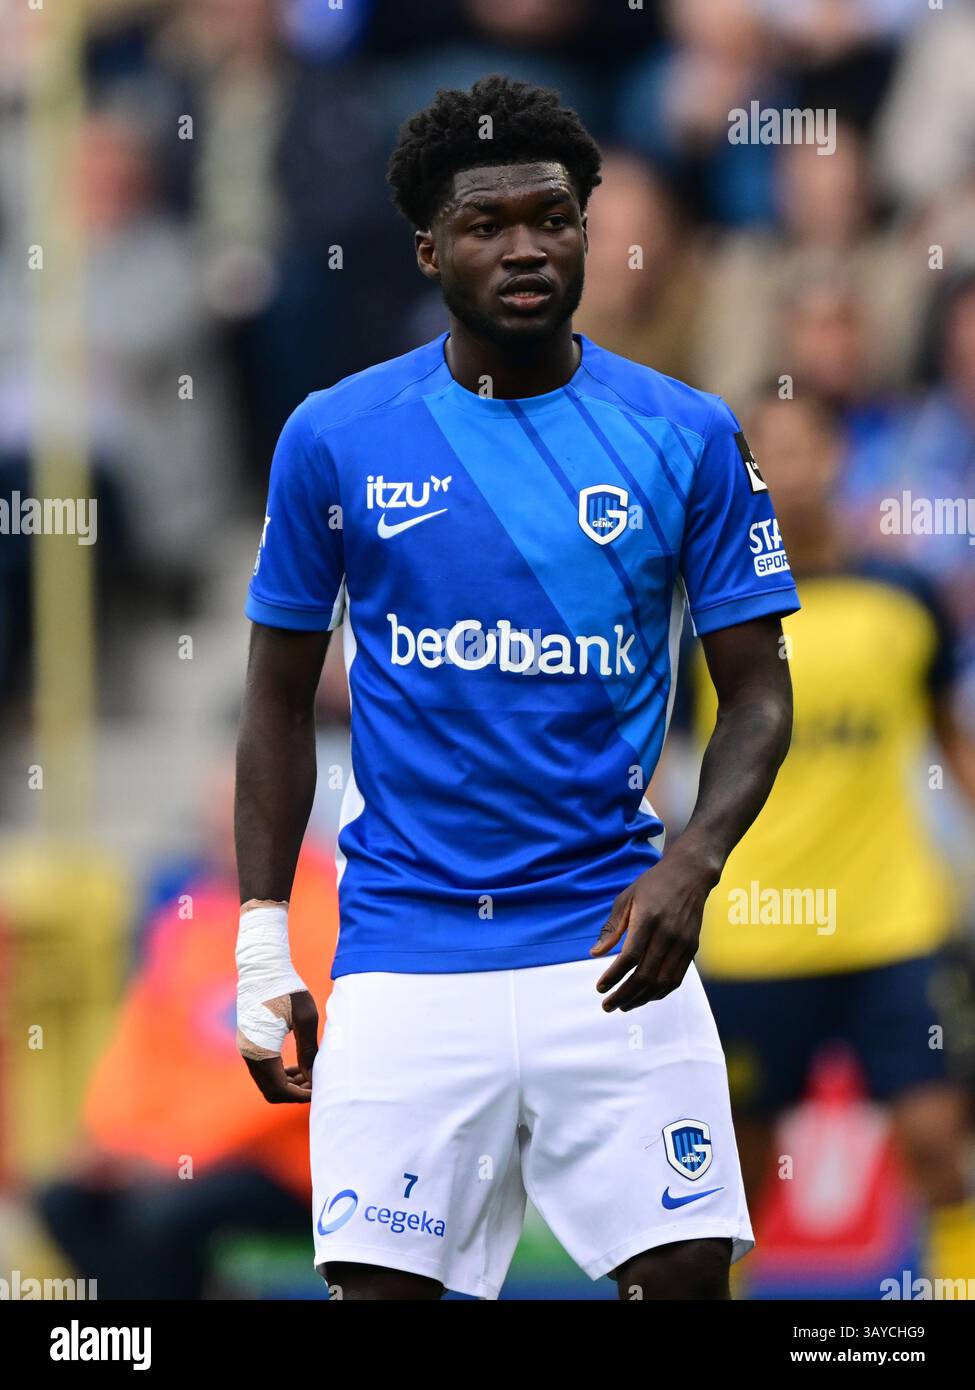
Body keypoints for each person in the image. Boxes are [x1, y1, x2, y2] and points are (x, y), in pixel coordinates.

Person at [233, 75, 799, 1302]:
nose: (526, 246)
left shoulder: (686, 433)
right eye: (488, 225)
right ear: (431, 248)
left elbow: (758, 689)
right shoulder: (336, 435)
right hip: (403, 959)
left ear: (591, 229)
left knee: (691, 1280)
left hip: (613, 945)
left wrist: (692, 860)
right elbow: (276, 698)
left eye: (552, 215)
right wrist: (261, 939)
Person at [688, 387, 975, 1292]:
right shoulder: (708, 605)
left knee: (937, 1141)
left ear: (840, 456)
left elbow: (945, 740)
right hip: (754, 930)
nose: (787, 474)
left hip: (893, 923)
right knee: (737, 1172)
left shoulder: (902, 595)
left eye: (803, 449)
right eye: (764, 456)